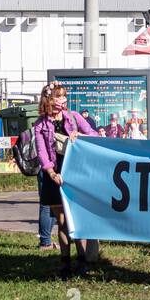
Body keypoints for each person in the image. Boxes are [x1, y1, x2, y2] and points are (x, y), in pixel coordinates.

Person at [33, 84, 97, 279]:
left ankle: (83, 260)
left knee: (76, 219)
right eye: (58, 97)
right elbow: (42, 153)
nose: (63, 100)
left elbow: (94, 135)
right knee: (61, 221)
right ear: (48, 100)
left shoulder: (74, 117)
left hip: (75, 172)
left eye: (64, 97)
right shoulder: (40, 125)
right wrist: (52, 173)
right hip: (55, 174)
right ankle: (65, 262)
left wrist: (81, 135)